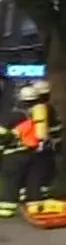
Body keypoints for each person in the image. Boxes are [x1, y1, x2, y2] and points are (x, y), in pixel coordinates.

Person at [19, 81, 57, 204]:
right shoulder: (46, 109)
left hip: (25, 145)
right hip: (43, 145)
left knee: (27, 171)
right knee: (43, 172)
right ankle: (38, 195)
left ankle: (25, 194)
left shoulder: (22, 110)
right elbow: (54, 128)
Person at [0, 83, 28, 220]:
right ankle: (25, 201)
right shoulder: (27, 115)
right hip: (29, 152)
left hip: (12, 154)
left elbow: (2, 136)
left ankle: (6, 208)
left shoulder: (9, 116)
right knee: (23, 179)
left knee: (11, 180)